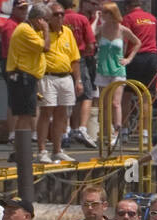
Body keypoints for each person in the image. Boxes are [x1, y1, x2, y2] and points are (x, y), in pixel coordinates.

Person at [6, 4, 52, 158]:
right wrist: (46, 31)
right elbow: (46, 47)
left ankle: (20, 150)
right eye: (45, 21)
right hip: (23, 77)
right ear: (39, 19)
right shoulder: (25, 30)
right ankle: (21, 151)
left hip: (26, 77)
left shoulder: (29, 30)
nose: (47, 24)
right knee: (25, 115)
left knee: (25, 114)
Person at [38, 3, 81, 165]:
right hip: (48, 76)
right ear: (49, 16)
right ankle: (42, 150)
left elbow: (75, 59)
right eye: (56, 14)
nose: (60, 17)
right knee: (46, 113)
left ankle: (57, 150)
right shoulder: (42, 32)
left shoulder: (68, 32)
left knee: (62, 115)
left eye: (62, 14)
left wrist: (78, 80)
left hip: (65, 77)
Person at [95, 2, 139, 144]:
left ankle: (117, 131)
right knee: (104, 102)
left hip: (117, 69)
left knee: (115, 103)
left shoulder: (122, 29)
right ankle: (105, 132)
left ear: (112, 14)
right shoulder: (101, 28)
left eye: (105, 12)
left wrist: (128, 59)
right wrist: (96, 19)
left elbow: (138, 42)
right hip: (103, 68)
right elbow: (91, 35)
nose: (102, 14)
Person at [63, 0, 98, 148]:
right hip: (80, 58)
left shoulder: (56, 18)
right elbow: (91, 42)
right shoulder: (81, 19)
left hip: (61, 59)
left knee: (66, 96)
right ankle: (82, 129)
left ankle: (68, 129)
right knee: (86, 94)